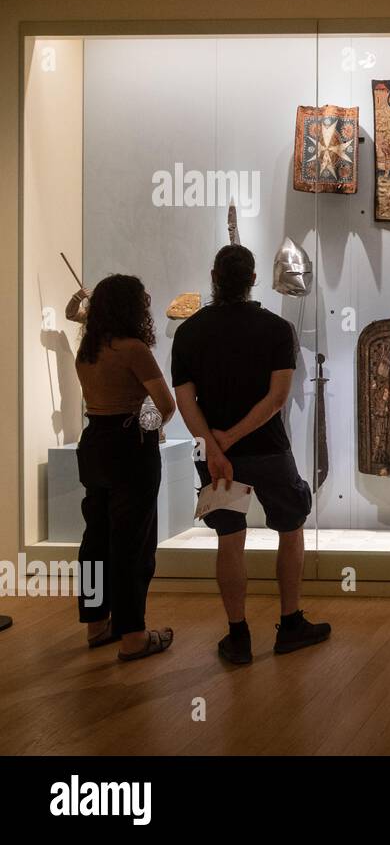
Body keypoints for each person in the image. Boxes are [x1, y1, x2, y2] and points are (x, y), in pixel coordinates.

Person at [171, 245, 330, 665]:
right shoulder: (276, 329)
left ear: (214, 277)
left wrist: (215, 445)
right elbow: (276, 399)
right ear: (253, 278)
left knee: (230, 538)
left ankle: (238, 635)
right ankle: (290, 622)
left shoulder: (190, 332)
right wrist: (234, 436)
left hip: (216, 455)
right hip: (267, 449)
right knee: (291, 527)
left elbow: (187, 403)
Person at [74, 274, 176, 661]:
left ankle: (96, 623)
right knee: (133, 543)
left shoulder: (88, 348)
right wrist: (145, 428)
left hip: (94, 441)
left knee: (95, 539)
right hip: (128, 446)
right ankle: (133, 633)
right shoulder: (133, 348)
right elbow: (165, 405)